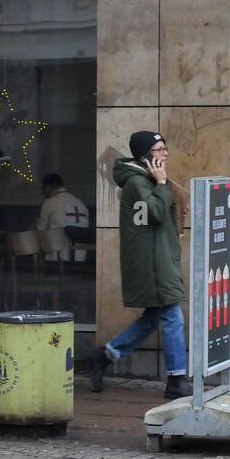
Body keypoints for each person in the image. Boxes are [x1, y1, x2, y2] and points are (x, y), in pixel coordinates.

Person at [88, 131, 190, 398]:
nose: (165, 153)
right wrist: (162, 184)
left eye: (165, 148)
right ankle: (176, 380)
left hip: (160, 259)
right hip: (152, 263)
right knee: (172, 317)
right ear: (145, 156)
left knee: (154, 317)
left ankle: (105, 355)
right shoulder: (137, 183)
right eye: (159, 149)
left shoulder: (146, 180)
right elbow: (155, 213)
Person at [34, 173, 89, 262]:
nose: (43, 193)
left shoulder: (49, 202)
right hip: (81, 260)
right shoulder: (81, 204)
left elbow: (40, 230)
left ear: (47, 187)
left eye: (43, 189)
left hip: (58, 261)